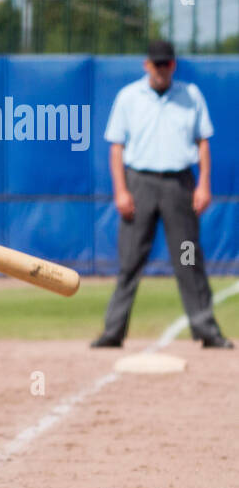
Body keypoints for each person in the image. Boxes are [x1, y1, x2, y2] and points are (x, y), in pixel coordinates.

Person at [93, 40, 231, 349]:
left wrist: (204, 183)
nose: (161, 69)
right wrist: (121, 191)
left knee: (188, 258)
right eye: (156, 64)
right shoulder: (129, 97)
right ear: (146, 65)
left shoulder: (189, 95)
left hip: (178, 185)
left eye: (166, 64)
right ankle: (113, 332)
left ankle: (207, 330)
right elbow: (117, 147)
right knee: (130, 260)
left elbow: (203, 142)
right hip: (139, 183)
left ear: (173, 65)